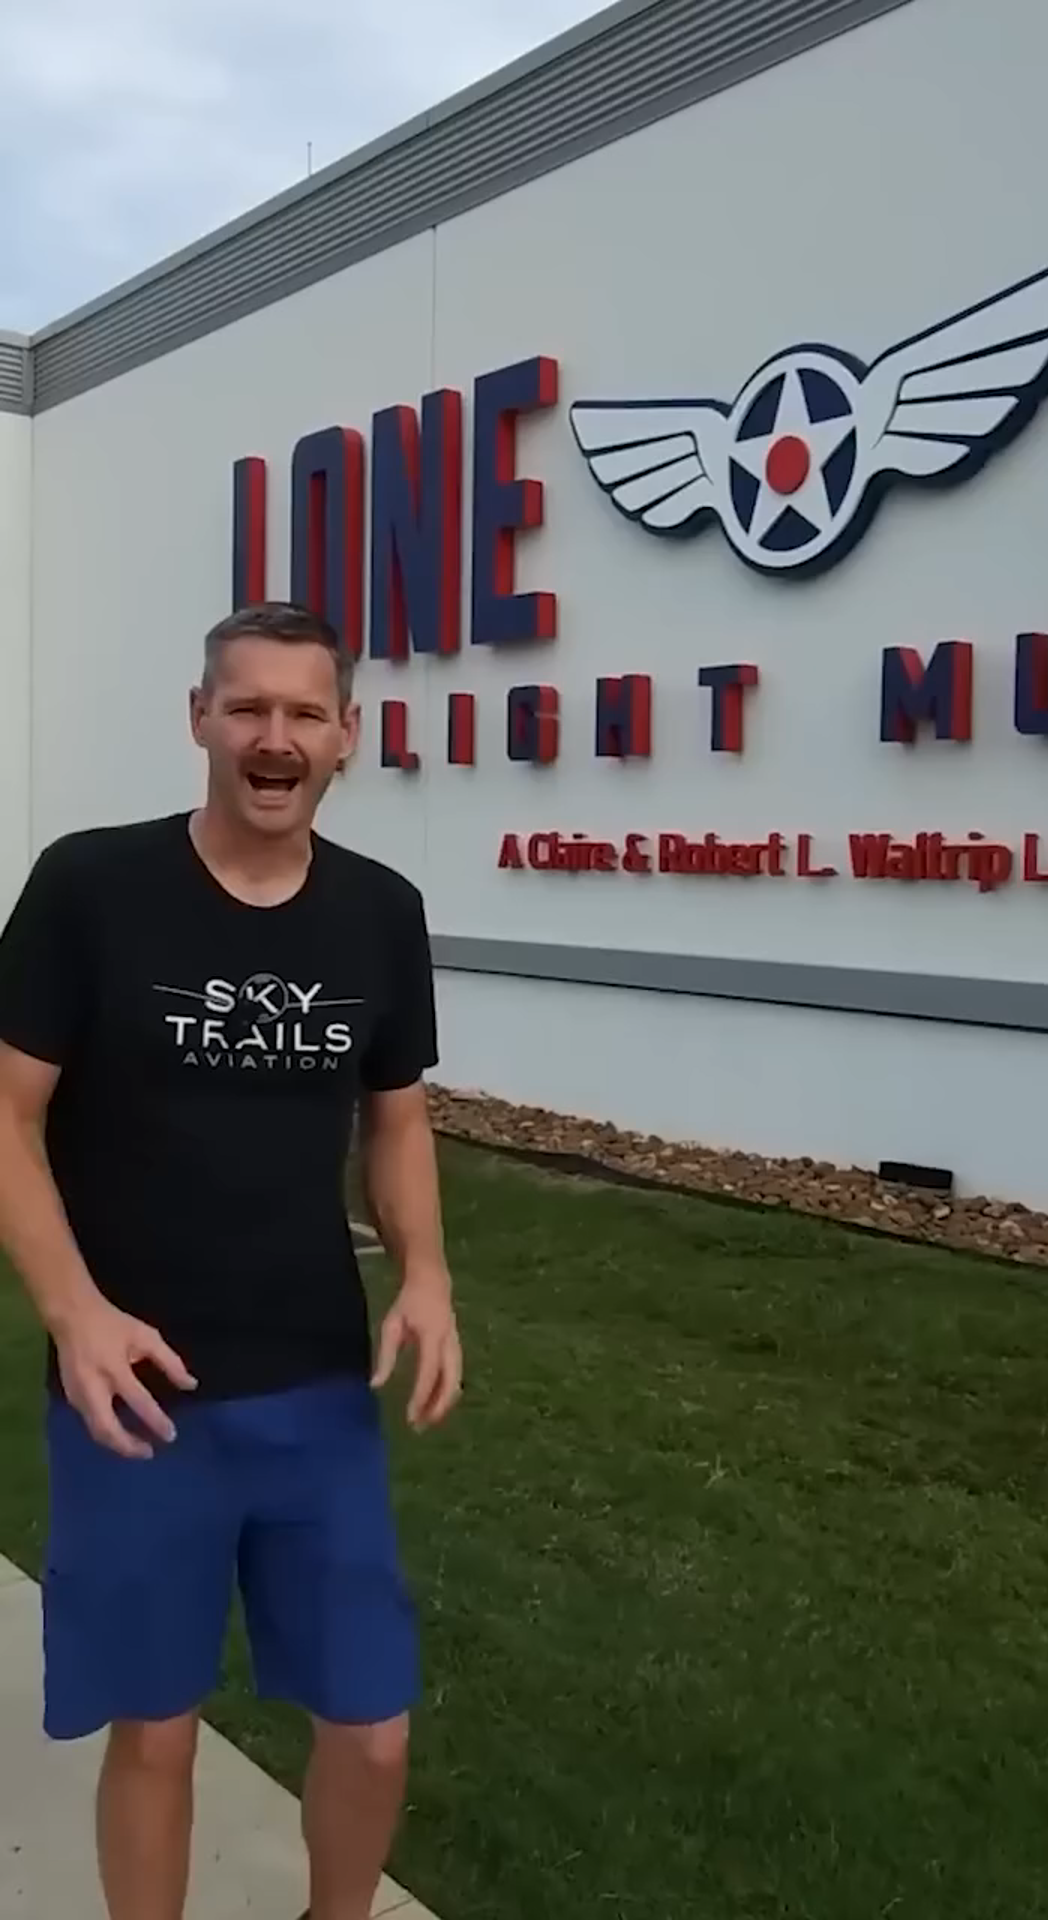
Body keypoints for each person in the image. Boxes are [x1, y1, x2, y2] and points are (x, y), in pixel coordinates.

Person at [0, 600, 462, 1920]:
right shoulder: (90, 888)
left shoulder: (381, 911)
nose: (275, 737)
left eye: (304, 713)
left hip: (316, 1382)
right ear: (199, 718)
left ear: (347, 740)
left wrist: (426, 1275)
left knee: (371, 1727)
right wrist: (72, 1311)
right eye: (247, 707)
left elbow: (398, 1115)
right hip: (134, 1394)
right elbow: (7, 1113)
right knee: (155, 1728)